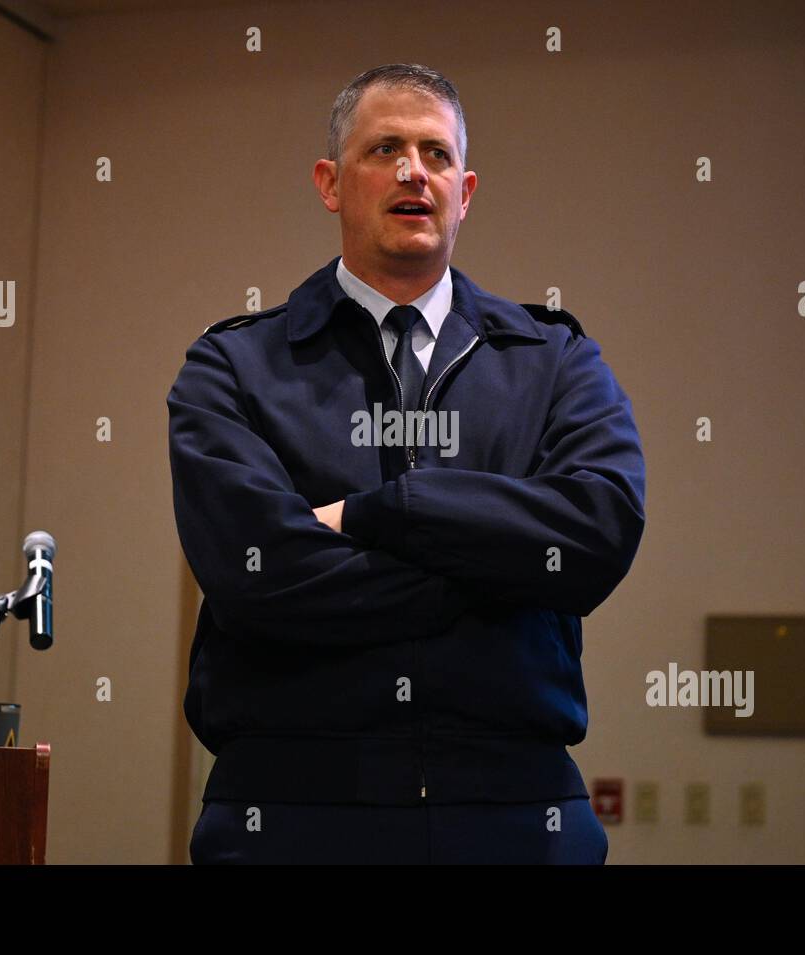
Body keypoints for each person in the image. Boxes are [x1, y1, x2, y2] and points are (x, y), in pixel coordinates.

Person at [168, 63, 645, 864]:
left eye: (436, 153)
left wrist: (380, 514)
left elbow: (597, 533)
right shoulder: (234, 366)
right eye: (384, 148)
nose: (413, 170)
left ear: (466, 190)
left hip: (518, 817)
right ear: (329, 182)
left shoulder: (555, 359)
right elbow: (259, 577)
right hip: (291, 816)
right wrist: (499, 568)